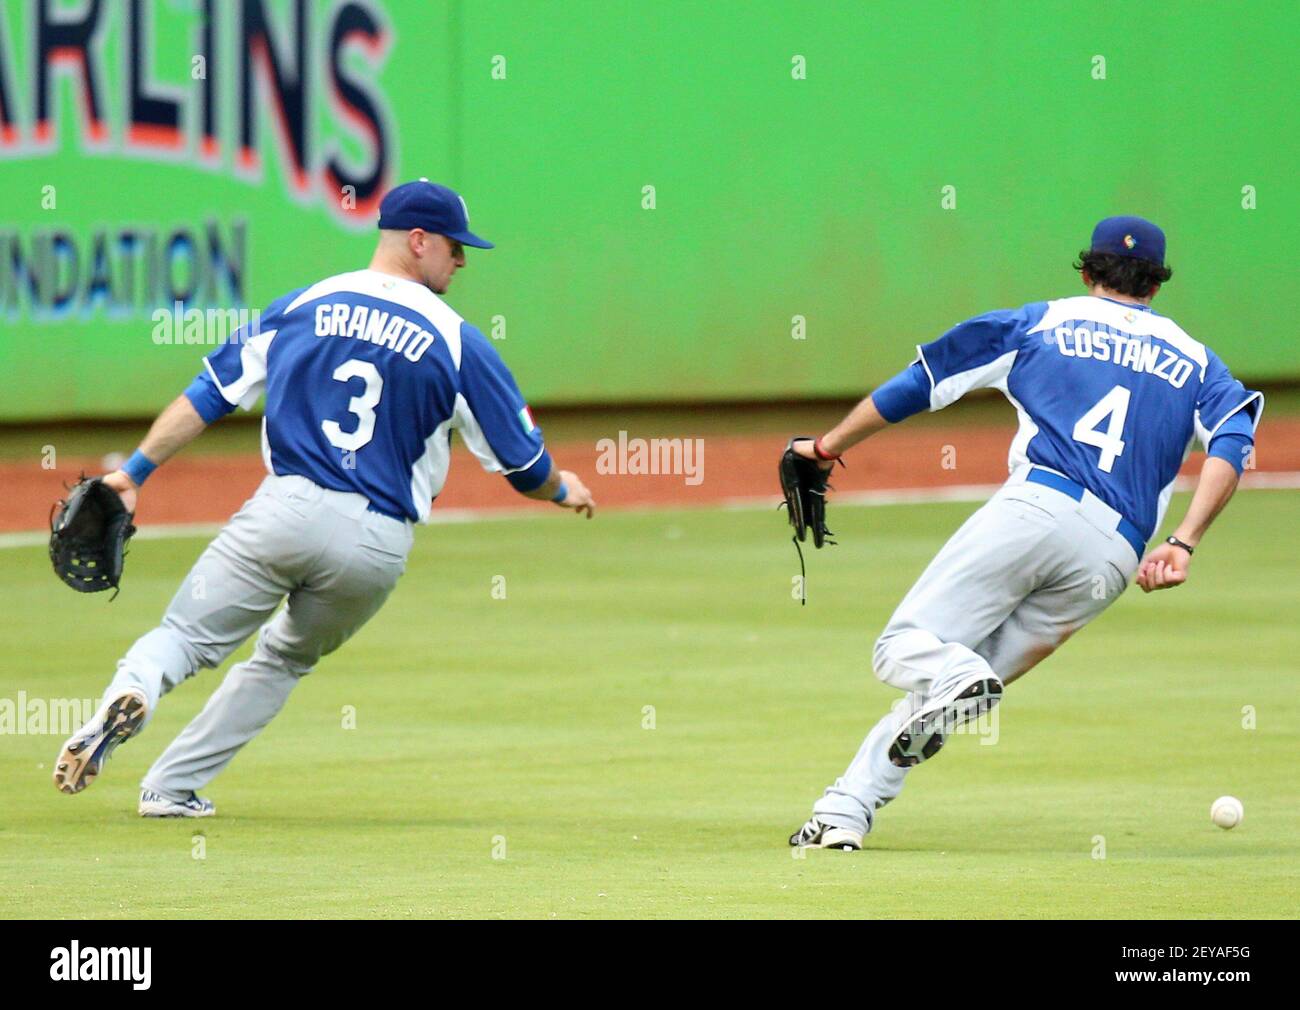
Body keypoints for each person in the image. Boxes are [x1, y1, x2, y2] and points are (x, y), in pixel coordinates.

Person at [53, 179, 595, 817]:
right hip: (375, 548)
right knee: (281, 660)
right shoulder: (458, 341)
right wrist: (565, 488)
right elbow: (524, 466)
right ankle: (170, 788)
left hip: (283, 511)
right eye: (455, 245)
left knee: (183, 637)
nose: (463, 259)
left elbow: (211, 393)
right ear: (418, 241)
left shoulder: (305, 304)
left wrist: (135, 472)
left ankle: (135, 693)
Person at [789, 216, 1262, 850]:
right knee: (952, 688)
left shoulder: (1040, 323)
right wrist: (1183, 541)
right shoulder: (1198, 362)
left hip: (1037, 508)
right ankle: (845, 813)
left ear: (1088, 271)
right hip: (1114, 556)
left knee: (906, 648)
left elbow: (922, 382)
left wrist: (825, 446)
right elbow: (1234, 438)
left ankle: (954, 680)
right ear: (1156, 285)